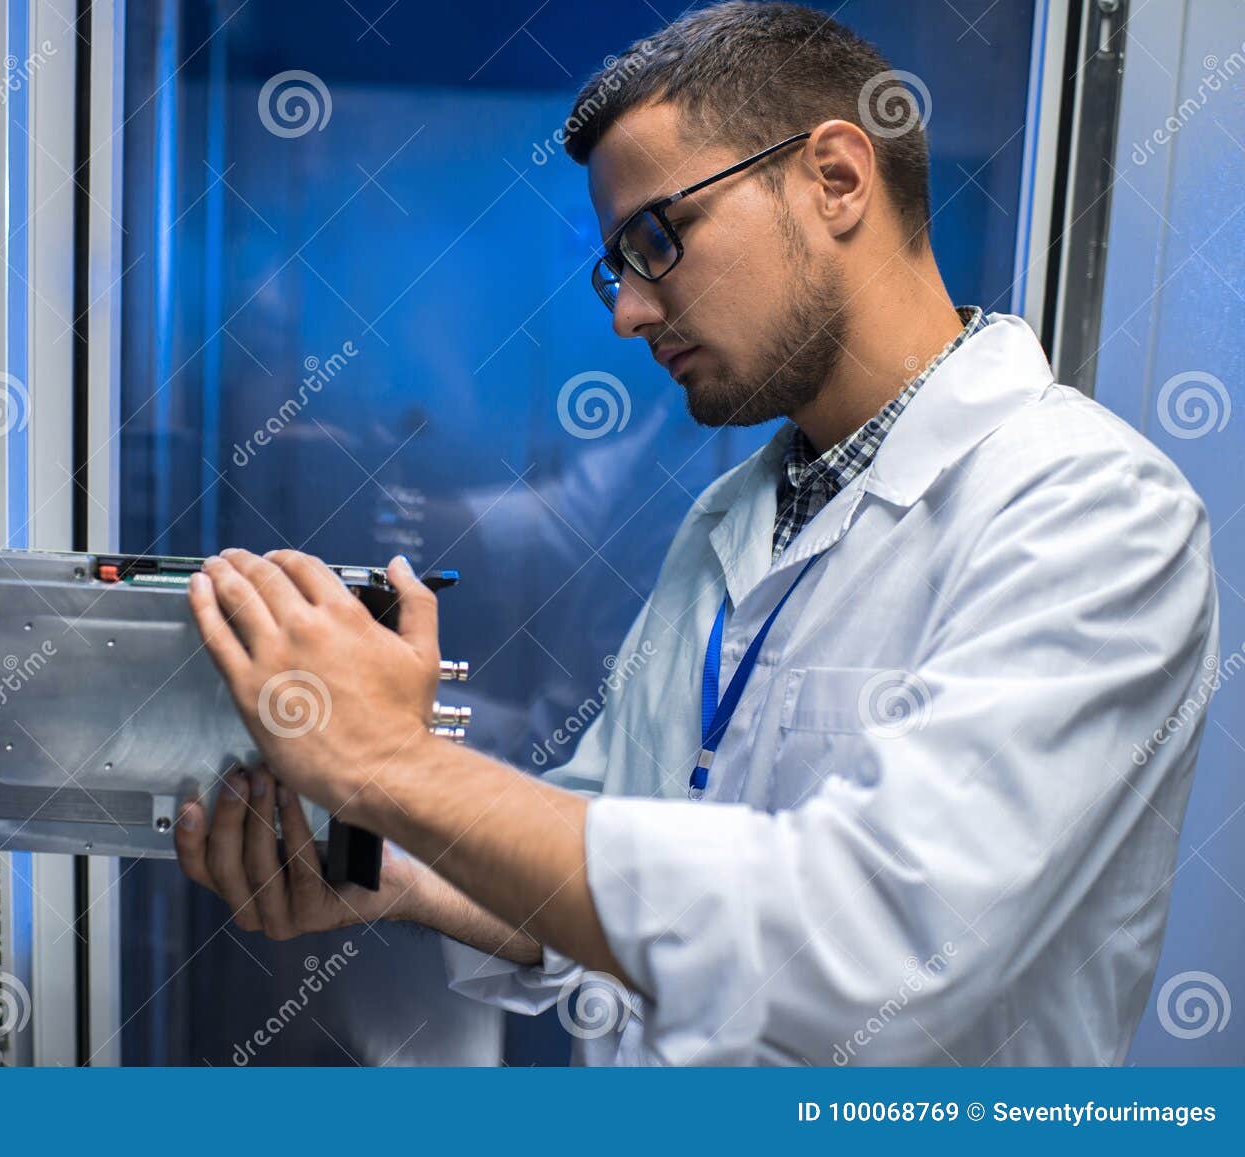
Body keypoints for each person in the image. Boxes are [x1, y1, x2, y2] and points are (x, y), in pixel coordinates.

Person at [174, 2, 1218, 1065]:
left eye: (656, 240)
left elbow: (876, 951)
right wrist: (398, 867)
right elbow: (615, 858)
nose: (626, 310)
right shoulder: (734, 519)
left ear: (836, 179)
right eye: (614, 265)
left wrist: (393, 767)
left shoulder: (1093, 512)